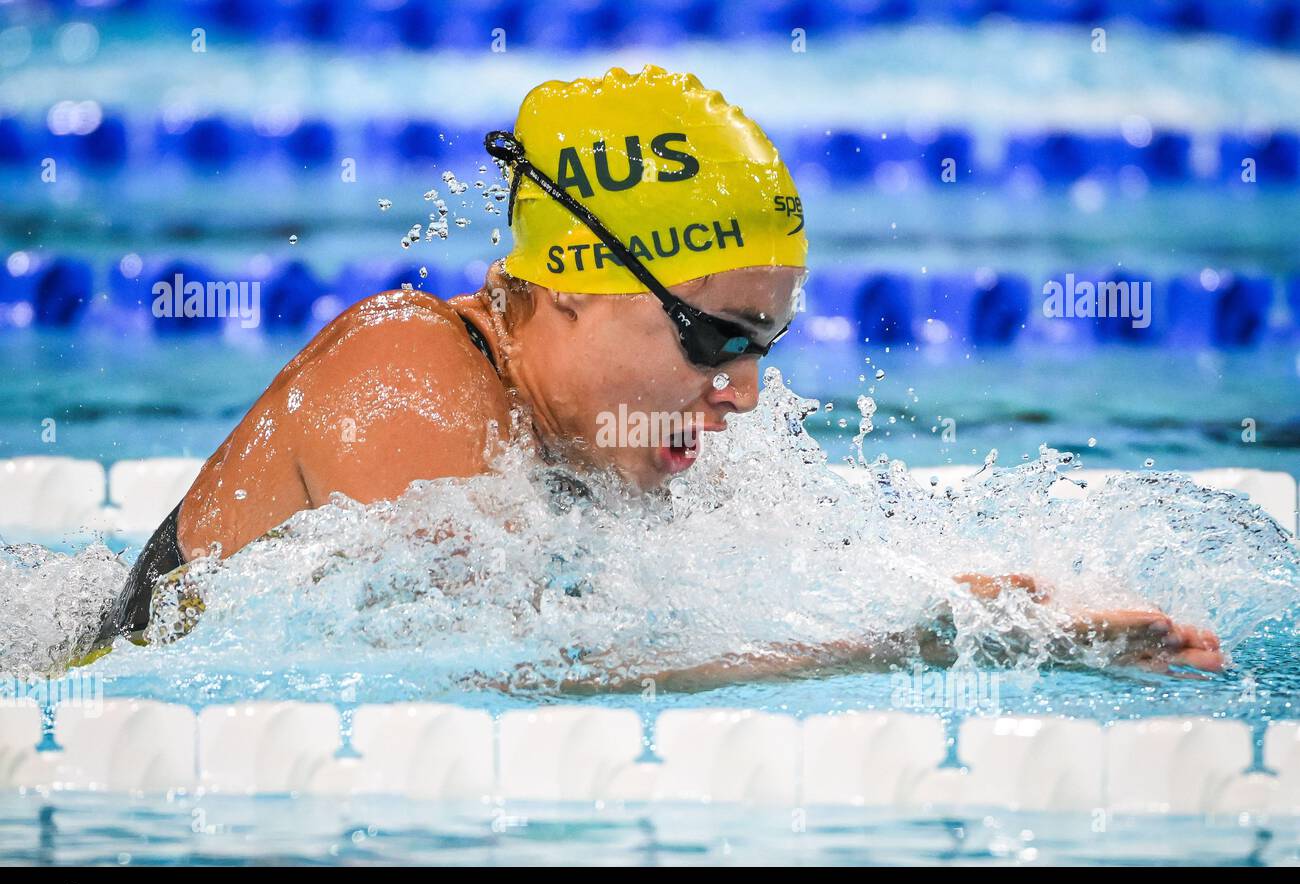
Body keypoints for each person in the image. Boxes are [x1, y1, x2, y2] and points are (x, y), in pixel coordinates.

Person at [93, 66, 1222, 679]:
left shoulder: (607, 434)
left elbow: (761, 585)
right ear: (575, 285)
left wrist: (1007, 610)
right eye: (713, 337)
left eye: (762, 347)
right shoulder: (410, 374)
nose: (741, 392)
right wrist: (911, 645)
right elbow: (498, 678)